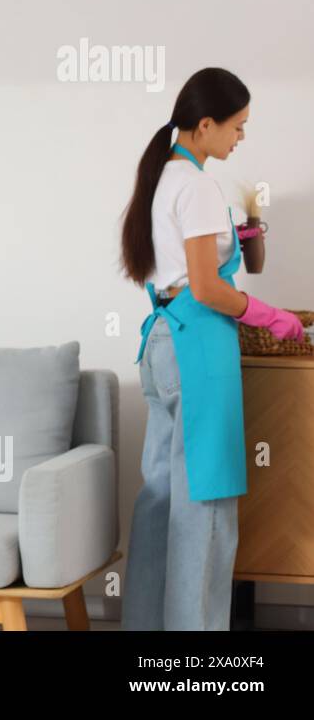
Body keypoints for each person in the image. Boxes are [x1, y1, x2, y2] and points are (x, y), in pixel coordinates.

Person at [119, 68, 304, 630]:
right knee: (207, 508)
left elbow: (181, 268)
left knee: (162, 502)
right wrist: (269, 316)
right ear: (205, 125)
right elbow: (205, 286)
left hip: (163, 342)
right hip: (198, 347)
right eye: (237, 127)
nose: (240, 138)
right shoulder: (199, 186)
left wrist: (238, 238)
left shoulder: (167, 176)